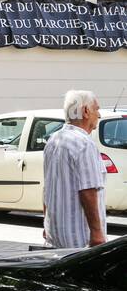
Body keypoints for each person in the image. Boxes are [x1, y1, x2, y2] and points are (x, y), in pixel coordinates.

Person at [42, 89, 107, 250]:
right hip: (81, 239)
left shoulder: (54, 140)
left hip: (56, 235)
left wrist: (46, 223)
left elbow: (47, 188)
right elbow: (88, 190)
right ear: (86, 111)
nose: (99, 115)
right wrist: (97, 232)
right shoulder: (84, 144)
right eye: (96, 109)